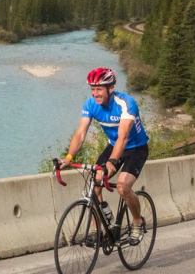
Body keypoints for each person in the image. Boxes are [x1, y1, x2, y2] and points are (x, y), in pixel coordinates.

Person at [60, 66, 150, 241]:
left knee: (123, 187)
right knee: (94, 183)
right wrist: (69, 158)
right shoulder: (90, 105)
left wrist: (112, 162)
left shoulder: (126, 104)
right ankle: (98, 228)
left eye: (99, 89)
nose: (95, 94)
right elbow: (80, 134)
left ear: (111, 88)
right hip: (113, 146)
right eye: (93, 89)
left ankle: (138, 222)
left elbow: (123, 137)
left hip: (136, 148)